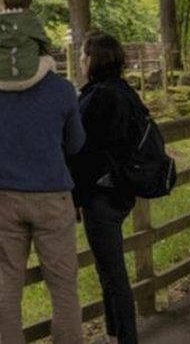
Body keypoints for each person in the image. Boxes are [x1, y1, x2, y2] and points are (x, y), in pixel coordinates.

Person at [0, 0, 86, 344]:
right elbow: (77, 144)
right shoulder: (62, 89)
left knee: (7, 290)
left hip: (2, 197)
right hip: (52, 195)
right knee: (63, 288)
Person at [67, 31, 139, 344]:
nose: (80, 60)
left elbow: (83, 154)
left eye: (83, 55)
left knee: (112, 274)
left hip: (102, 195)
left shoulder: (96, 98)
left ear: (94, 59)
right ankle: (114, 333)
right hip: (122, 191)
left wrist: (77, 198)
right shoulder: (125, 92)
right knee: (108, 271)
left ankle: (125, 337)